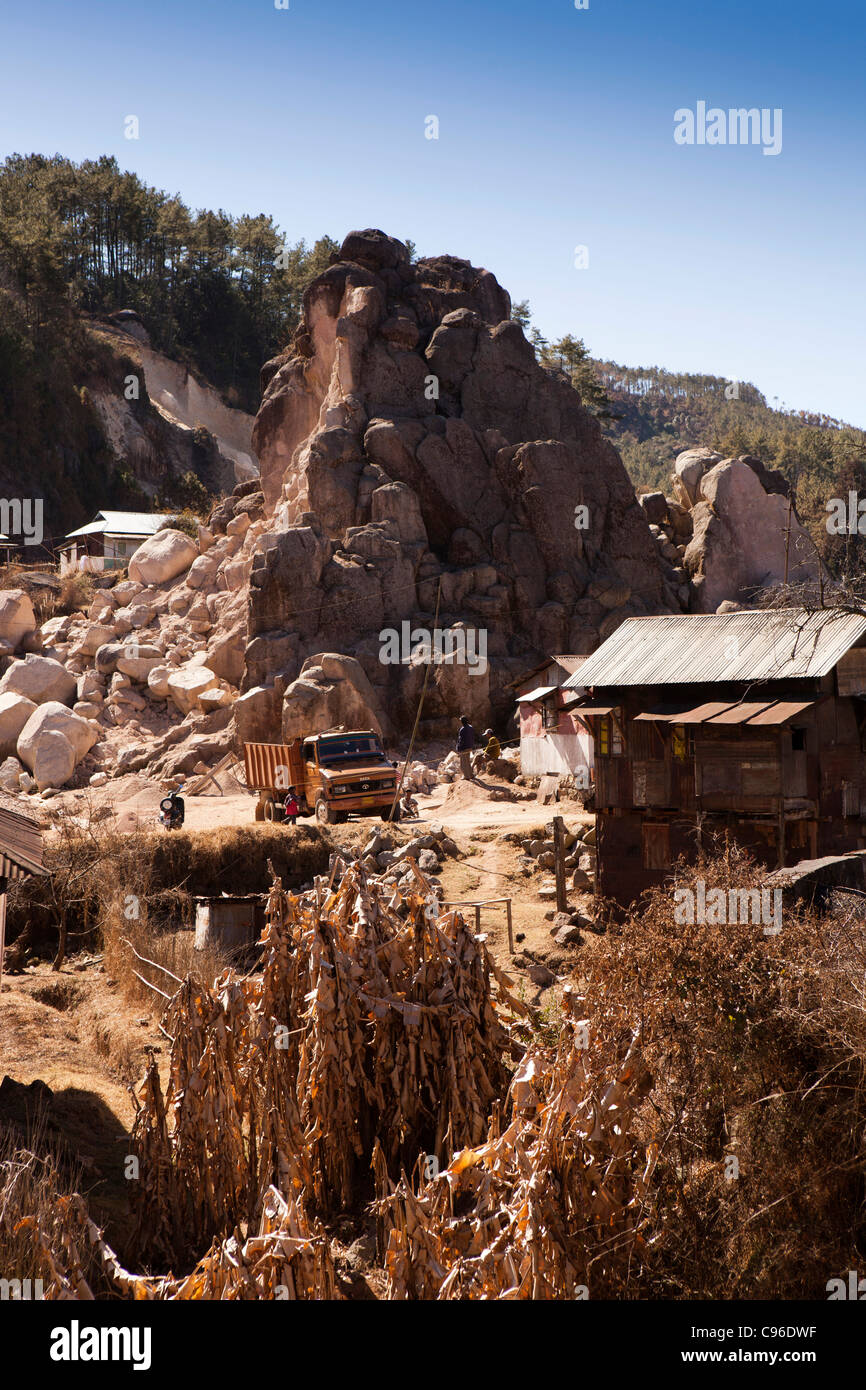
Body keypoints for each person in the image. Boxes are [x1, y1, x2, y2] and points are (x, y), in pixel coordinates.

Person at [456, 715, 477, 780]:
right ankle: (471, 775)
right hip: (470, 747)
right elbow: (473, 737)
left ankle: (466, 776)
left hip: (463, 748)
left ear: (462, 722)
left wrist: (458, 748)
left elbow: (460, 740)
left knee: (463, 763)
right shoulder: (471, 727)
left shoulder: (462, 729)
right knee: (467, 761)